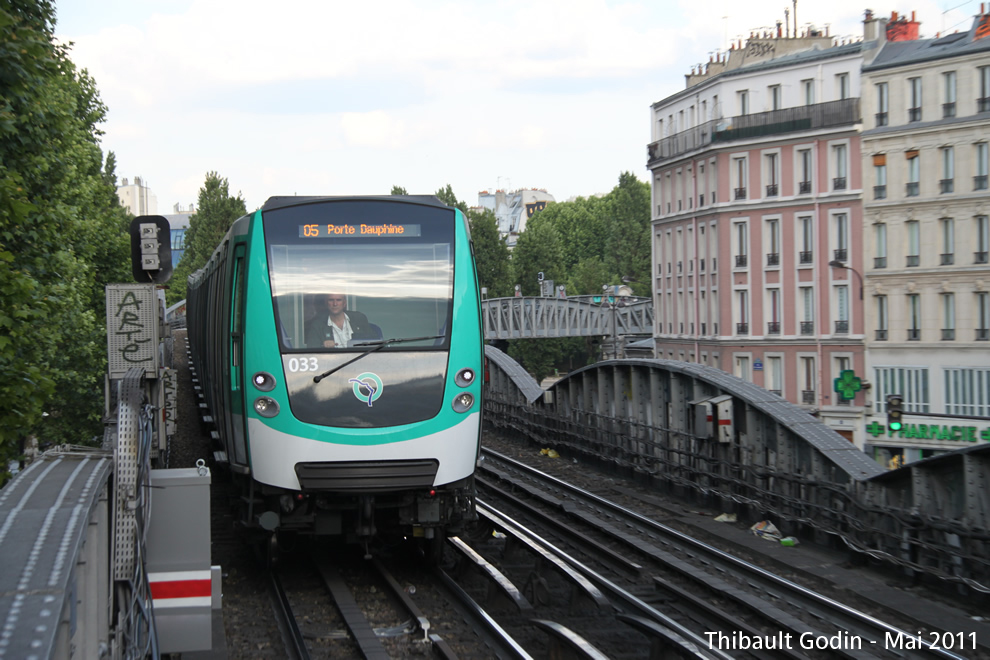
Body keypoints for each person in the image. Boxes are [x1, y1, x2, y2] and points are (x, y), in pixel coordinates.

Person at [305, 293, 377, 348]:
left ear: (344, 303)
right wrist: (323, 346)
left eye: (338, 300)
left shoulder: (359, 318)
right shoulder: (317, 325)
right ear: (326, 303)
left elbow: (373, 342)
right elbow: (311, 351)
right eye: (331, 300)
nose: (335, 304)